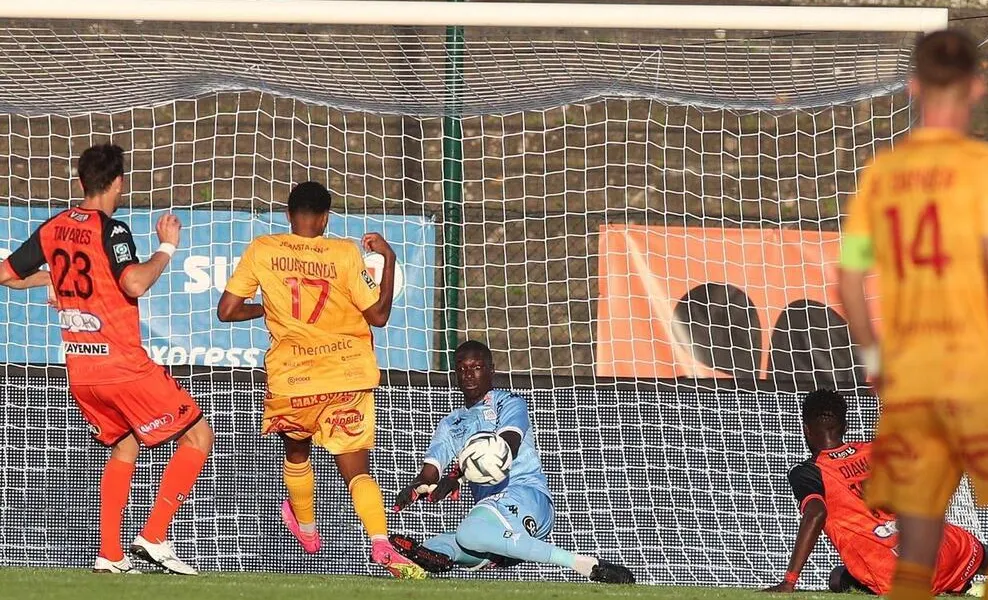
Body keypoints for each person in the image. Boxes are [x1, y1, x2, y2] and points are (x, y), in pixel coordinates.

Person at [837, 29, 988, 600]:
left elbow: (847, 282)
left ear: (914, 86)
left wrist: (876, 361)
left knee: (915, 555)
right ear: (977, 87)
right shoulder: (986, 165)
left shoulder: (881, 175)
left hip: (911, 380)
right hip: (971, 376)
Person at [0, 143, 214, 575]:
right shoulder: (112, 231)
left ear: (80, 182)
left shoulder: (54, 227)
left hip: (81, 371)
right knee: (198, 437)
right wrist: (168, 248)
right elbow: (133, 283)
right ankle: (154, 536)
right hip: (123, 368)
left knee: (125, 445)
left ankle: (110, 554)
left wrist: (53, 280)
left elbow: (4, 273)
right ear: (119, 182)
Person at [216, 181, 423, 579]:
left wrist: (266, 309)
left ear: (288, 214)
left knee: (297, 453)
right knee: (357, 471)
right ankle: (380, 541)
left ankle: (308, 532)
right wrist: (390, 259)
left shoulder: (264, 249)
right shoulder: (344, 252)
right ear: (326, 218)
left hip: (292, 380)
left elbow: (227, 310)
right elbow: (378, 316)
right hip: (347, 374)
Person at [390, 340, 635, 584]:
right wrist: (417, 486)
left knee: (468, 532)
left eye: (476, 367)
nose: (468, 375)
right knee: (436, 546)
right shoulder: (450, 424)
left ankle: (580, 563)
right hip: (494, 519)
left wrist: (457, 476)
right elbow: (430, 472)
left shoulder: (508, 402)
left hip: (528, 497)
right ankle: (477, 556)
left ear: (491, 370)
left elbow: (507, 445)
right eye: (462, 369)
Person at [762, 390, 988, 596]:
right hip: (942, 550)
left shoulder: (808, 471)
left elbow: (816, 513)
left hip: (898, 576)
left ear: (806, 429)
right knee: (980, 551)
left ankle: (957, 585)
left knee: (838, 578)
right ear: (844, 426)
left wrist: (789, 581)